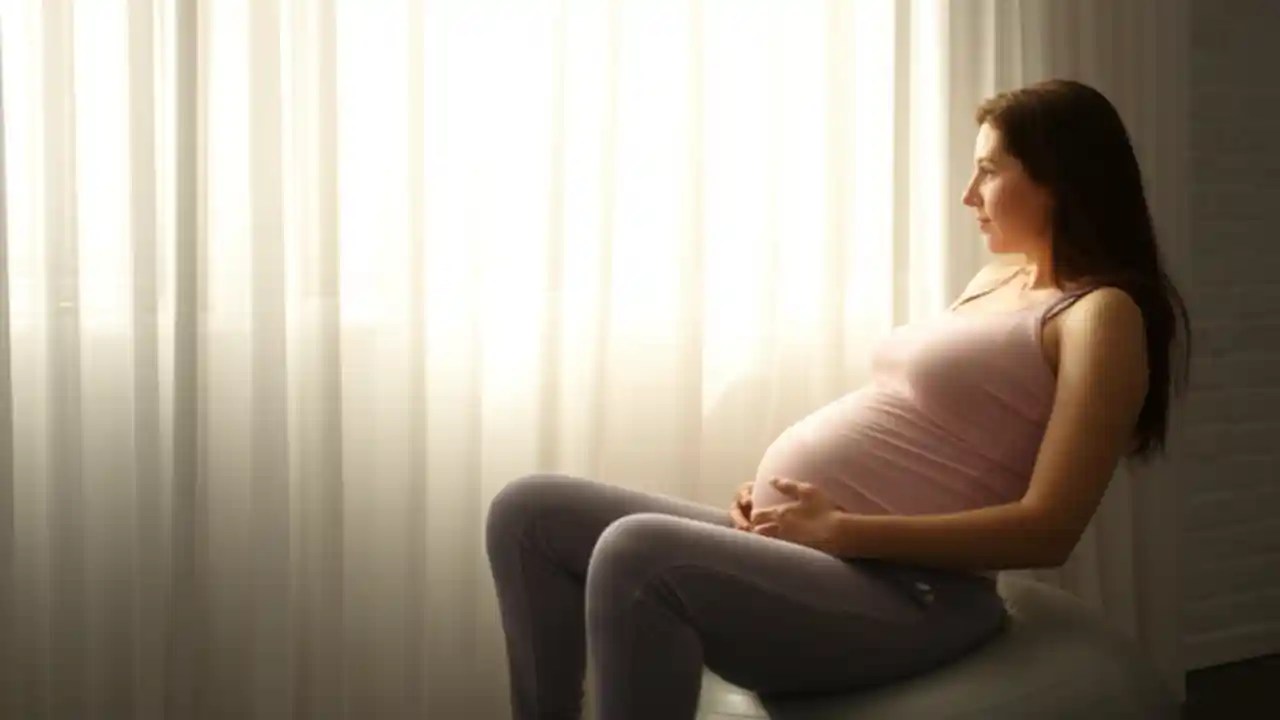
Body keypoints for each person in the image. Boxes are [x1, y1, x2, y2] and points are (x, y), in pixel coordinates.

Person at [484, 78, 1191, 720]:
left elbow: (1048, 531)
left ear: (1059, 178)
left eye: (988, 169)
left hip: (916, 595)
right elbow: (925, 431)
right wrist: (784, 503)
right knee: (528, 512)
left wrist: (840, 529)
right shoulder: (996, 281)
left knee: (637, 552)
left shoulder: (1099, 315)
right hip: (829, 561)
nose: (968, 194)